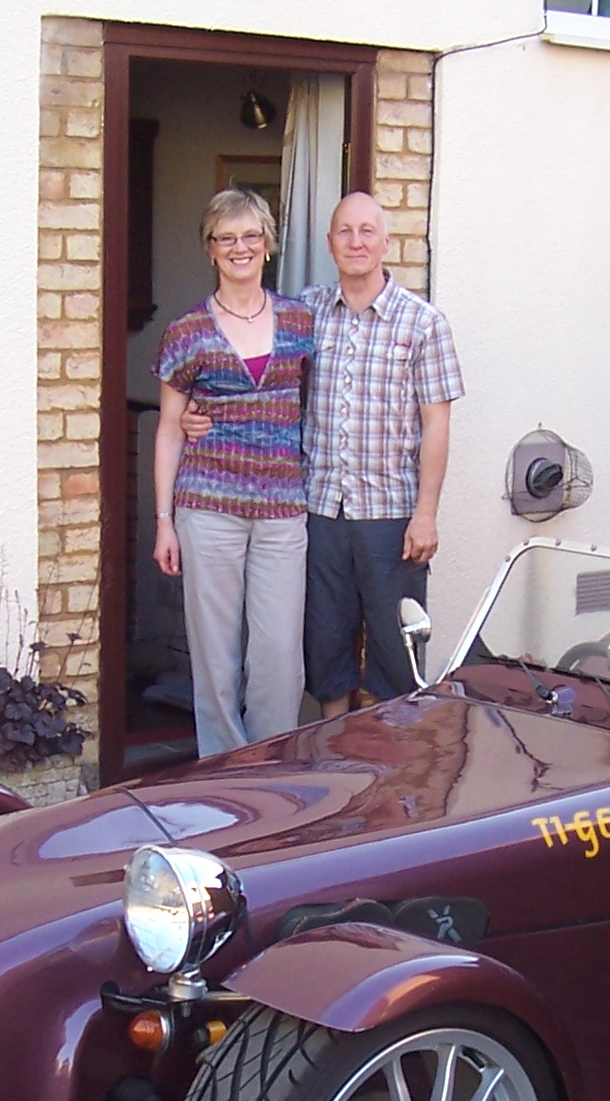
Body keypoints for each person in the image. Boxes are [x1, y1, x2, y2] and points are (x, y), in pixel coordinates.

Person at [189, 191, 463, 716]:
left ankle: (390, 776)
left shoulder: (423, 323)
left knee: (396, 657)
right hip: (317, 510)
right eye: (345, 231)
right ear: (330, 243)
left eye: (367, 231)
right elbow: (255, 383)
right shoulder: (305, 313)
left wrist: (426, 514)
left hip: (391, 515)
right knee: (327, 651)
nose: (356, 241)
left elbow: (437, 424)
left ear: (386, 242)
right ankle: (334, 761)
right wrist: (193, 412)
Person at [150, 189, 316, 755]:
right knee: (214, 654)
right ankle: (222, 769)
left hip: (281, 513)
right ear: (211, 250)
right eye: (226, 238)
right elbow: (170, 428)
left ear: (268, 245)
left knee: (278, 655)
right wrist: (164, 520)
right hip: (208, 509)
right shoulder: (189, 330)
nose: (239, 247)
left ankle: (269, 765)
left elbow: (317, 406)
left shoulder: (300, 322)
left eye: (250, 236)